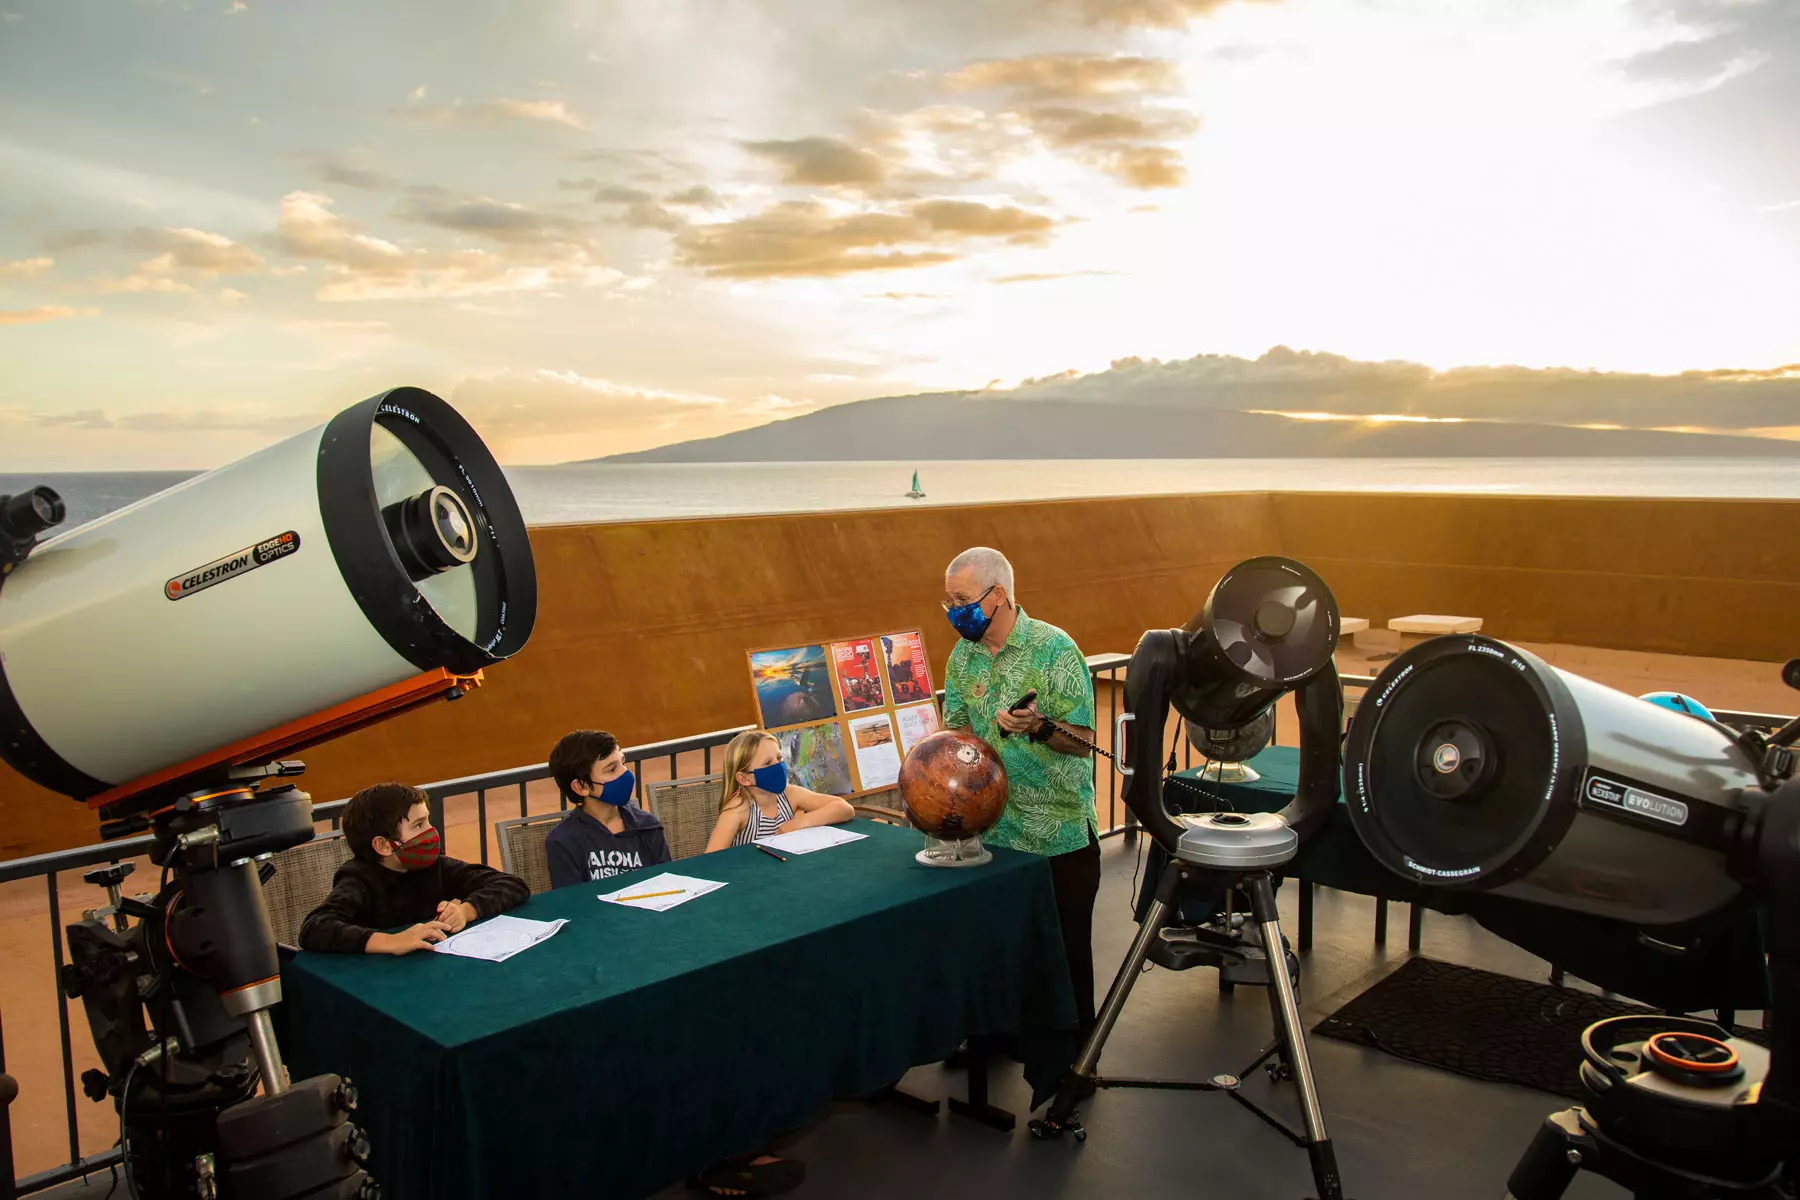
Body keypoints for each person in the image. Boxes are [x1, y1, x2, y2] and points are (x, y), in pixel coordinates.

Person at [940, 545, 1100, 1035]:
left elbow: (1086, 742)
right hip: (991, 834)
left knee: (1065, 951)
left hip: (1058, 836)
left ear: (998, 595)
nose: (954, 612)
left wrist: (1039, 726)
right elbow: (956, 736)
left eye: (962, 599)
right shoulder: (961, 659)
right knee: (997, 948)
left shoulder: (1055, 650)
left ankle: (1076, 1057)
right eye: (947, 603)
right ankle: (993, 1041)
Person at [299, 782, 529, 954]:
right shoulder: (359, 879)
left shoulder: (435, 865)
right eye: (418, 825)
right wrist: (390, 941)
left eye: (428, 821)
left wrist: (466, 910)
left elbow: (511, 885)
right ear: (384, 845)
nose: (431, 831)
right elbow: (315, 928)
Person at [544, 729, 671, 889]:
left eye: (623, 763)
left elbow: (667, 885)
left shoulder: (647, 826)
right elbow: (571, 903)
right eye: (611, 769)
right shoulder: (563, 841)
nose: (625, 774)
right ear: (581, 786)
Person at [703, 730, 856, 853]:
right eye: (768, 763)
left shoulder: (789, 794)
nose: (778, 766)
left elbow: (844, 808)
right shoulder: (738, 809)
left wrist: (800, 823)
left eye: (779, 757)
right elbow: (711, 859)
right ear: (744, 778)